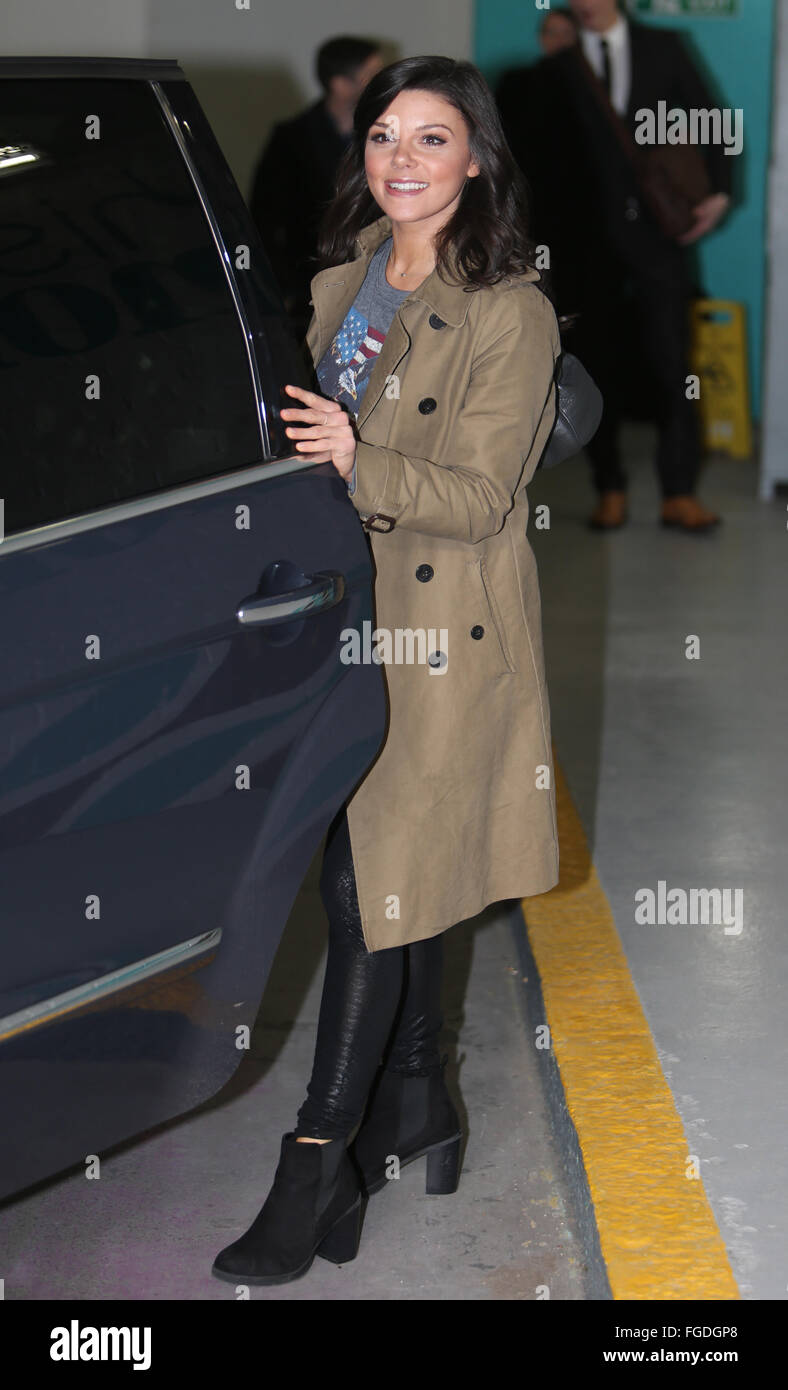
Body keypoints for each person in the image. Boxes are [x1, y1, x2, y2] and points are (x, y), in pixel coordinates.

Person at [212, 54, 562, 1286]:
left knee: (370, 883)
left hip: (437, 630)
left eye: (430, 137)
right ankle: (418, 1098)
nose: (399, 159)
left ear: (476, 158)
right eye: (381, 135)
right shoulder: (338, 278)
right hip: (329, 617)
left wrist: (354, 456)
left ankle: (317, 1157)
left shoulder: (510, 308)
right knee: (379, 874)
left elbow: (479, 500)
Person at [497, 0, 734, 532]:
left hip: (657, 233)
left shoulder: (663, 48)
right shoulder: (555, 68)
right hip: (584, 243)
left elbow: (711, 117)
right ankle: (609, 487)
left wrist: (718, 192)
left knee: (673, 360)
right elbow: (530, 157)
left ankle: (679, 491)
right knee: (594, 363)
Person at [249, 36, 383, 338]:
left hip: (374, 280)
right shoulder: (291, 139)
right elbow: (264, 219)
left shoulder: (384, 134)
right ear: (341, 85)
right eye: (372, 75)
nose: (382, 84)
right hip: (311, 288)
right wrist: (282, 287)